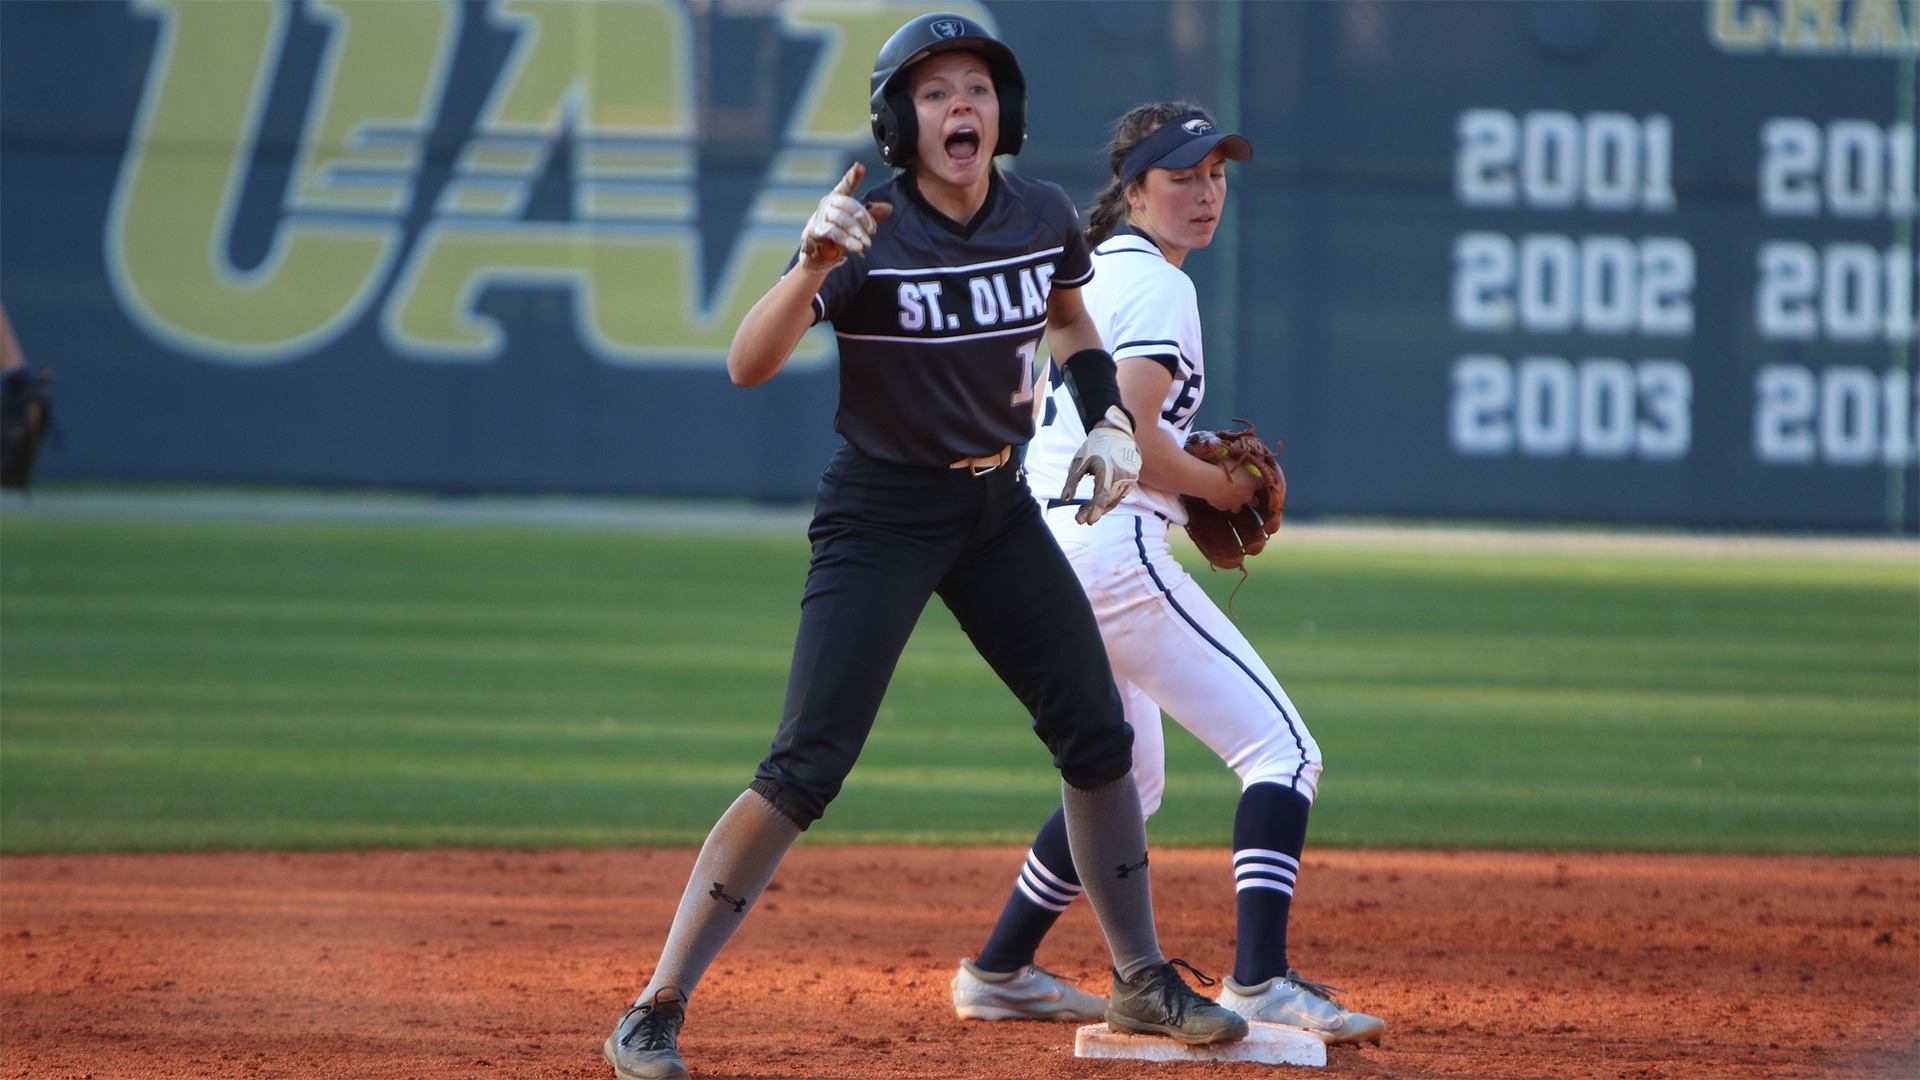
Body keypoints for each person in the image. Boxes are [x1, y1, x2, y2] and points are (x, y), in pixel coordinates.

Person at [601, 20, 1249, 1080]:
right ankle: (656, 1004)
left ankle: (1140, 978)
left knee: (1096, 737)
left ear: (1007, 114)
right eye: (937, 90)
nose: (963, 106)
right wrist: (810, 265)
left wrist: (1111, 424)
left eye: (980, 89)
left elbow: (1072, 322)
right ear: (901, 121)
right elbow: (746, 363)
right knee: (806, 766)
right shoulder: (873, 230)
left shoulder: (1037, 213)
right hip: (882, 512)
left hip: (994, 511)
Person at [948, 102, 1388, 1046]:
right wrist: (1220, 487)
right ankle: (1260, 979)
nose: (1206, 192)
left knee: (1124, 776)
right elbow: (1134, 443)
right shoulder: (1155, 286)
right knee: (1284, 752)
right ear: (1135, 188)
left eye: (1217, 175)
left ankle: (999, 969)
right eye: (1183, 176)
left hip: (1046, 552)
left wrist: (1188, 466)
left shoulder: (1095, 270)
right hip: (1112, 553)